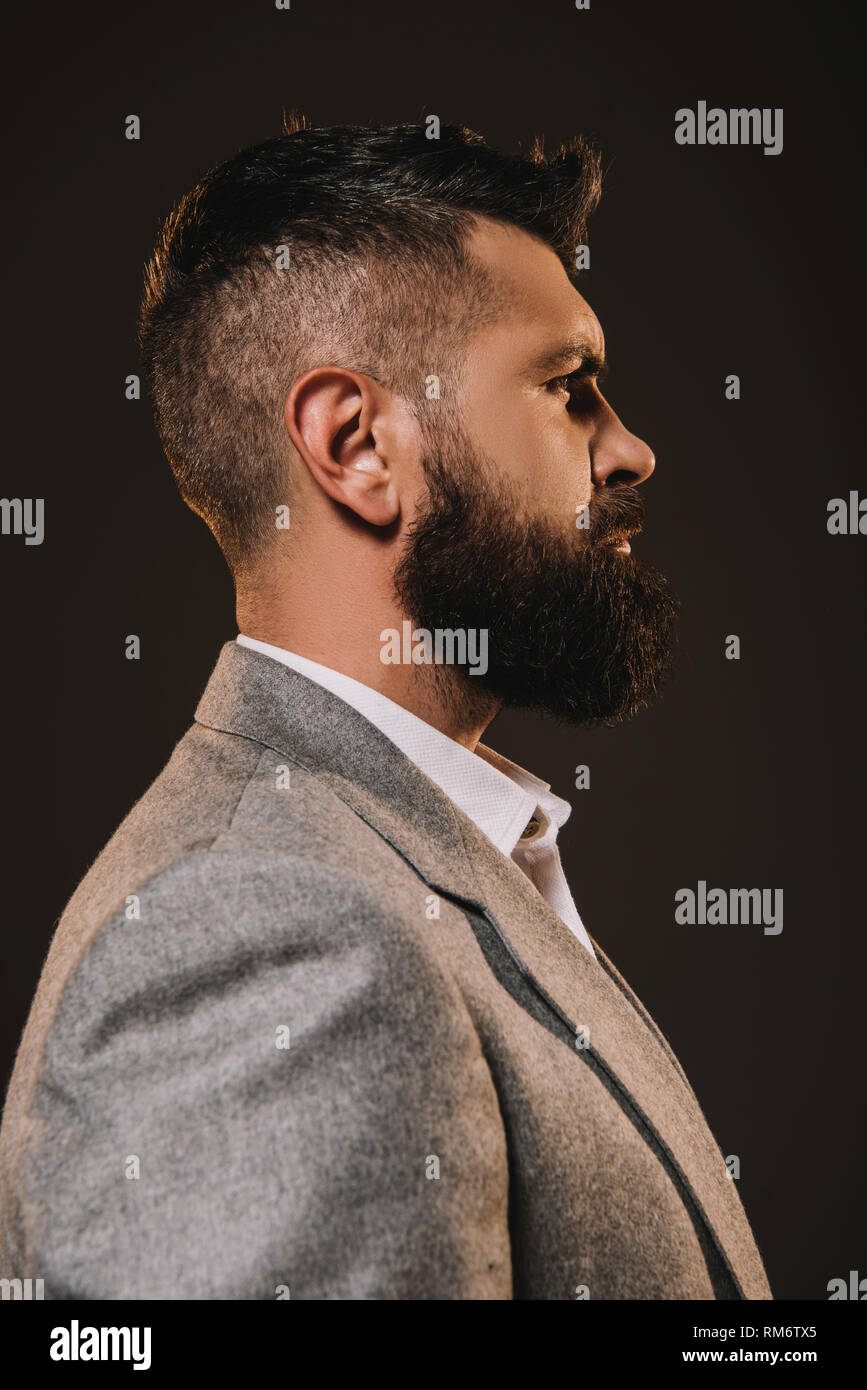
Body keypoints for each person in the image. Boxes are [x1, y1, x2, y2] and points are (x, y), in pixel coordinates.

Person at [0, 114, 771, 1300]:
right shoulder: (269, 925)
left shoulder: (418, 855)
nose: (631, 450)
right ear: (357, 443)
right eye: (569, 388)